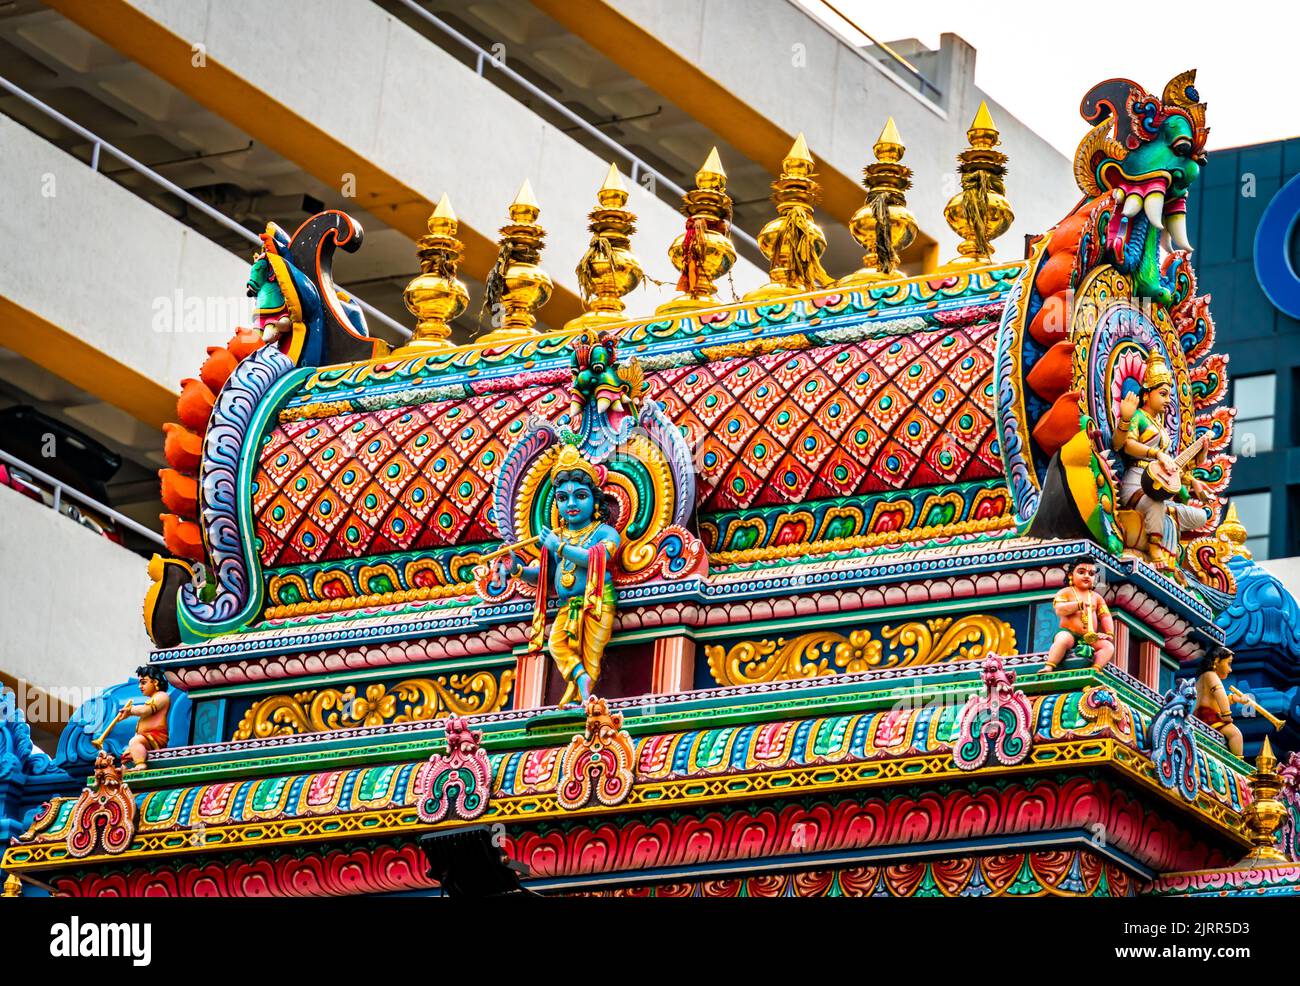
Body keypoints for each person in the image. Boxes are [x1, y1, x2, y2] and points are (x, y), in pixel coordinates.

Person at [500, 444, 621, 707]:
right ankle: (580, 680)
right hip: (567, 607)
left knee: (591, 653)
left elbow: (596, 559)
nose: (572, 504)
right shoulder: (558, 537)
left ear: (595, 500)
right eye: (563, 499)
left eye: (580, 496)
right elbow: (546, 575)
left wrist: (560, 547)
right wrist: (517, 569)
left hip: (596, 602)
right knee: (556, 645)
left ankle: (586, 697)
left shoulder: (603, 533)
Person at [1113, 354, 1214, 570]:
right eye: (1163, 394)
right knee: (1155, 503)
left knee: (1199, 516)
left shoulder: (1160, 427)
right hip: (1137, 482)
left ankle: (1167, 534)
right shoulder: (1138, 417)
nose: (1168, 400)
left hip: (1159, 483)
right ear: (1147, 394)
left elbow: (1173, 468)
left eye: (1169, 395)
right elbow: (1124, 445)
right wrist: (1126, 419)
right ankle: (1155, 547)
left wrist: (1193, 479)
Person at [1042, 559, 1115, 672]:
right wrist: (1078, 605)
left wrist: (1109, 633)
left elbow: (1105, 616)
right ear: (1071, 575)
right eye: (1081, 572)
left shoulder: (1096, 597)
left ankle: (1095, 669)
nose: (1086, 576)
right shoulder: (1065, 592)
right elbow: (1059, 610)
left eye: (1091, 574)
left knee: (1108, 647)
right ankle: (1049, 666)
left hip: (1090, 637)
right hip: (1069, 632)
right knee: (1062, 640)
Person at [1194, 646, 1246, 757]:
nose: (1230, 669)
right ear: (1217, 660)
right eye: (1228, 663)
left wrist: (1235, 699)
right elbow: (1220, 695)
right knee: (1236, 735)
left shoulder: (1203, 677)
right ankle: (1238, 763)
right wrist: (1226, 715)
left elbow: (1215, 702)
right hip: (1208, 716)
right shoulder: (1211, 675)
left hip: (1201, 714)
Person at [121, 665, 170, 770]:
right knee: (126, 755)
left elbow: (145, 710)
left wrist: (131, 710)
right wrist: (128, 713)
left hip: (156, 736)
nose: (140, 686)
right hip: (146, 737)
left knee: (135, 742)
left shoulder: (162, 696)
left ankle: (140, 764)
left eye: (143, 682)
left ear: (155, 682)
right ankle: (123, 771)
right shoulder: (152, 699)